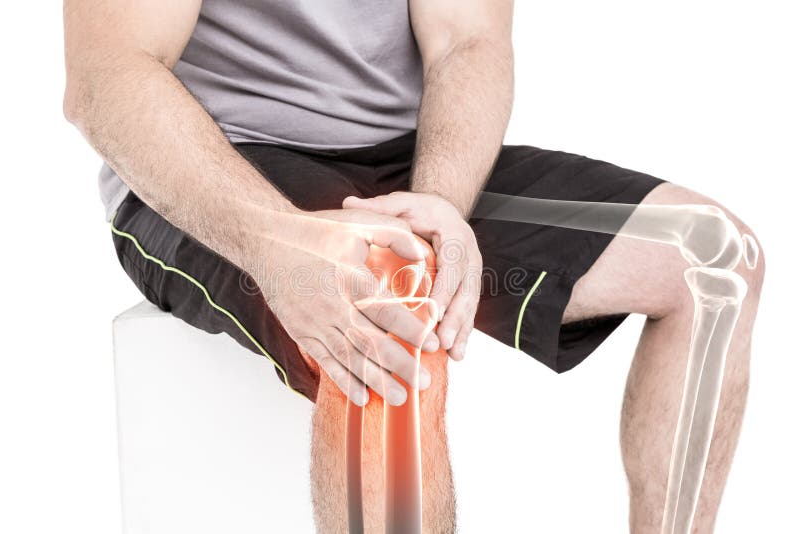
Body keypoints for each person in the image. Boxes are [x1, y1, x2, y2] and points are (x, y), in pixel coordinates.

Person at [63, 1, 764, 532]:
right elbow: (106, 78)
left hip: (407, 155)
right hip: (219, 162)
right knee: (384, 309)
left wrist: (439, 207)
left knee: (712, 259)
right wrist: (276, 244)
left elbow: (470, 40)